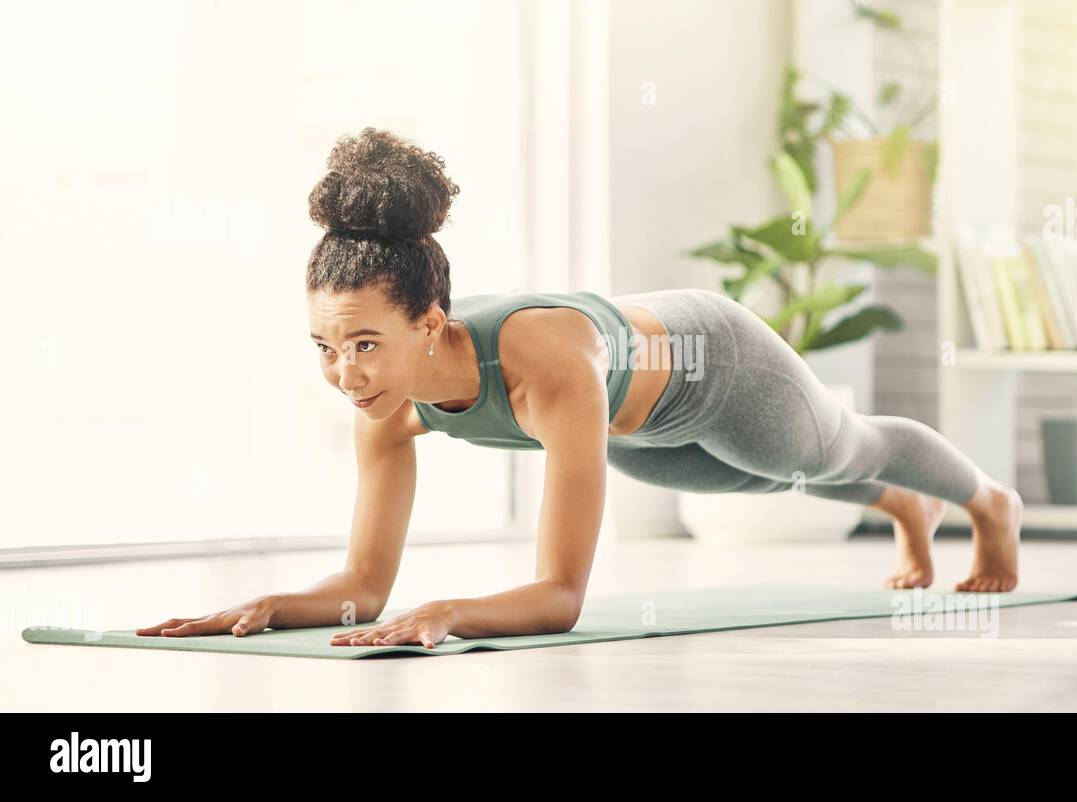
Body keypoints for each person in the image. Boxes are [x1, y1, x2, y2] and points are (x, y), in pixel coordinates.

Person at [137, 128, 1022, 650]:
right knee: (768, 479)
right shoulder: (386, 407)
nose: (345, 374)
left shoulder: (544, 364)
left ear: (432, 324)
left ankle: (988, 504)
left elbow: (560, 599)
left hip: (717, 364)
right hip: (633, 427)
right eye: (326, 348)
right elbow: (364, 589)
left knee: (832, 449)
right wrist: (272, 606)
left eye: (365, 344)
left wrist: (447, 613)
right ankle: (906, 508)